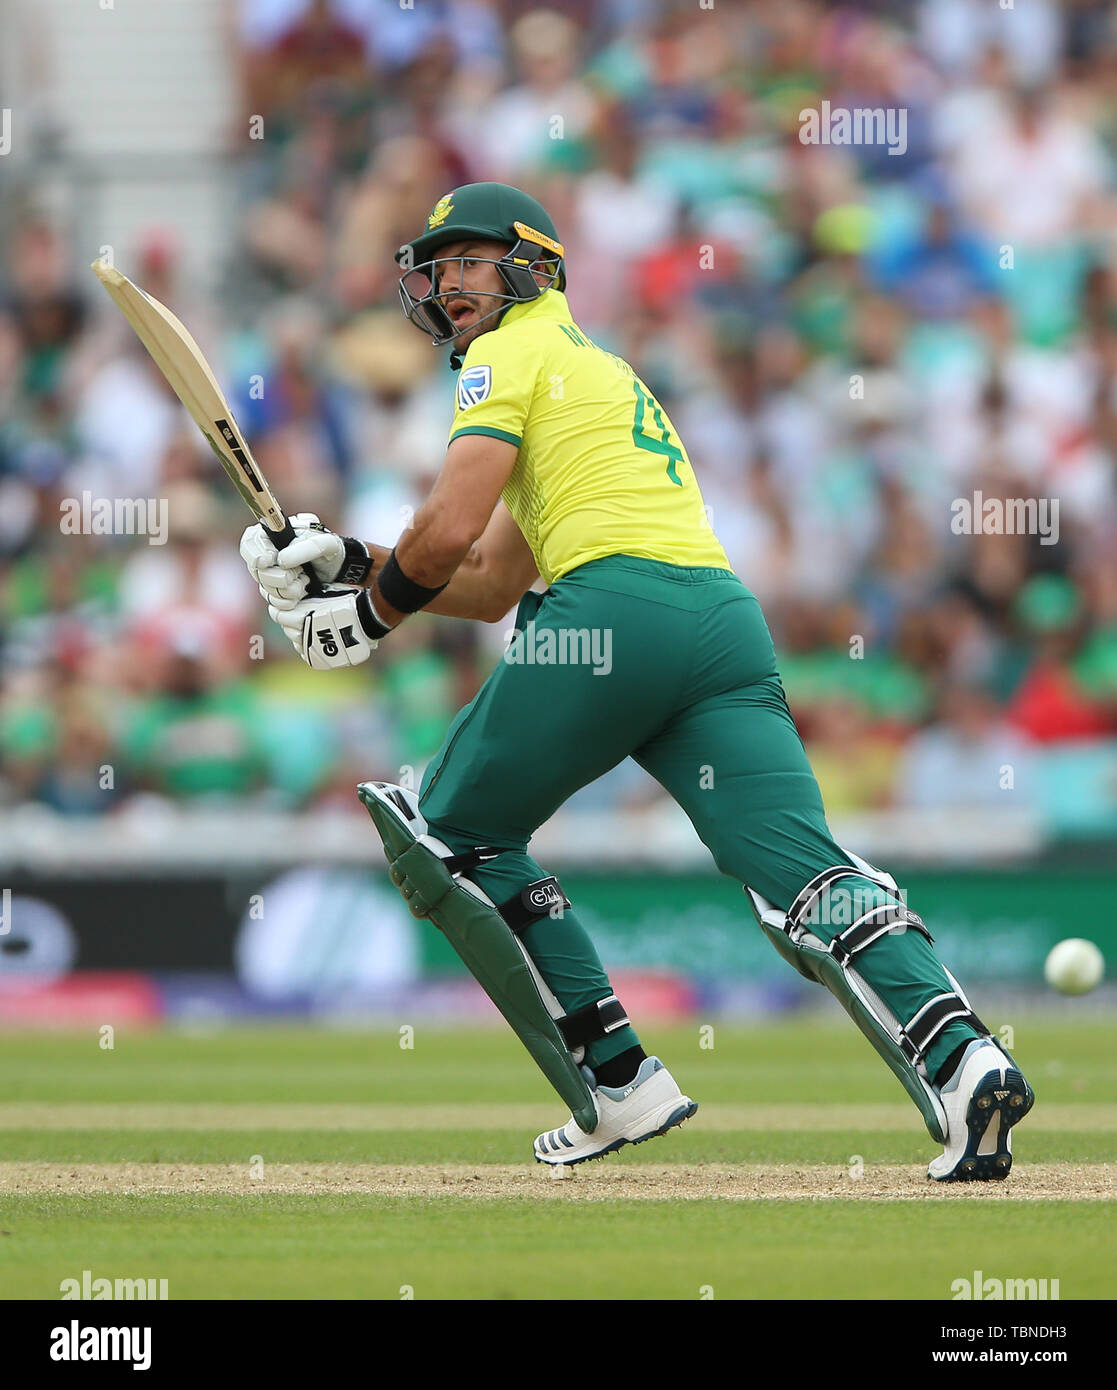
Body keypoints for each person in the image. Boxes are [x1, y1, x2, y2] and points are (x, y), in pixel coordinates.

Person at [241, 183, 1033, 1179]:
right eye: (436, 265)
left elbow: (444, 533)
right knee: (803, 876)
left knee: (442, 831)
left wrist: (365, 616)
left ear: (533, 265)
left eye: (470, 258)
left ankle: (614, 1079)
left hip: (613, 615)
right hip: (719, 627)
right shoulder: (600, 369)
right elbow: (487, 582)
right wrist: (349, 559)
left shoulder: (506, 353)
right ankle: (963, 1058)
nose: (448, 282)